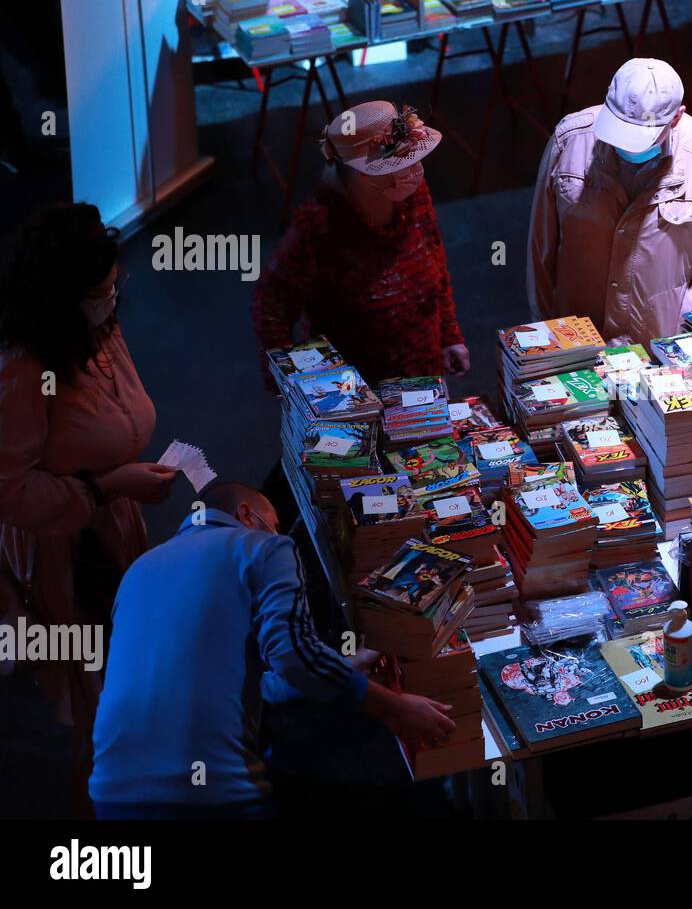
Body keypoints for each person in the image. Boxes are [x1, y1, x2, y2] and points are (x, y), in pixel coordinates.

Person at [90, 482, 457, 819]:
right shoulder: (262, 547)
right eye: (275, 522)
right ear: (246, 514)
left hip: (113, 791)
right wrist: (394, 709)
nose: (279, 532)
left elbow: (229, 683)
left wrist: (340, 665)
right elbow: (294, 657)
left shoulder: (141, 569)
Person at [0, 204, 175, 739]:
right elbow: (10, 492)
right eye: (98, 295)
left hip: (110, 524)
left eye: (115, 287)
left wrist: (116, 483)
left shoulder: (96, 329)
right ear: (57, 300)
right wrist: (107, 486)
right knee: (93, 700)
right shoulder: (23, 369)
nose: (111, 302)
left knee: (124, 660)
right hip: (63, 551)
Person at [527, 58, 692, 346]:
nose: (624, 145)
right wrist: (549, 330)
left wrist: (684, 315)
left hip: (657, 343)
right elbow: (541, 245)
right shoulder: (570, 141)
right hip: (577, 338)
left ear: (676, 118)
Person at [252, 100, 470, 383]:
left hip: (423, 374)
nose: (416, 170)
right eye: (403, 161)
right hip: (357, 388)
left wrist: (449, 335)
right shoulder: (320, 224)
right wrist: (296, 388)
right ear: (364, 173)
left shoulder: (412, 195)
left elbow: (434, 258)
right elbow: (271, 305)